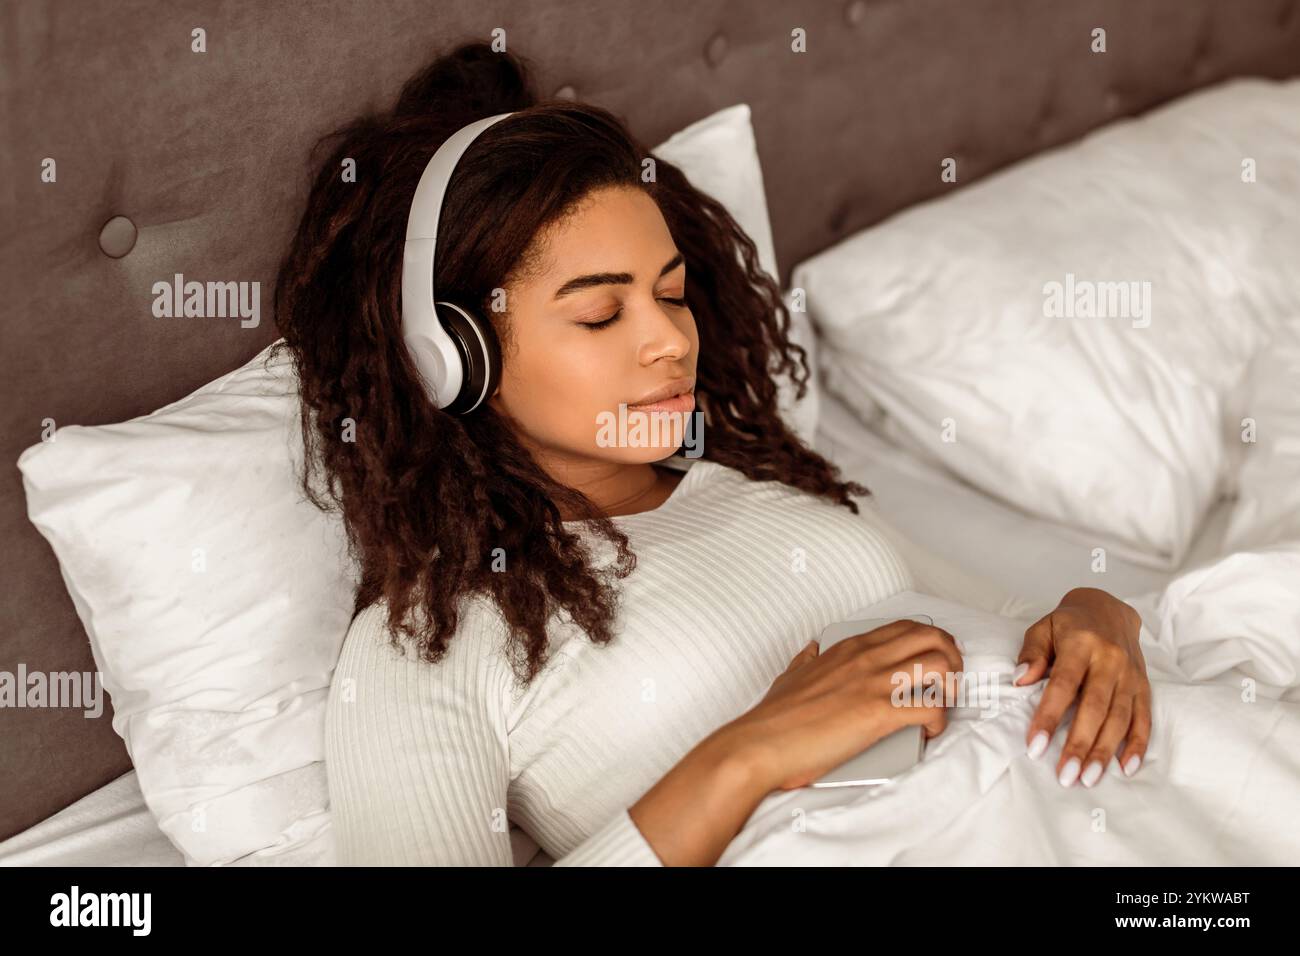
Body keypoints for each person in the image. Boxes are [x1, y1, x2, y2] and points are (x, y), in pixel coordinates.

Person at [272, 41, 1151, 866]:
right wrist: (749, 753)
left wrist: (1096, 612)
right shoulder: (430, 643)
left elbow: (1015, 618)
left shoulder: (765, 481)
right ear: (454, 356)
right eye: (599, 314)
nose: (668, 341)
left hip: (1117, 802)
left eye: (672, 294)